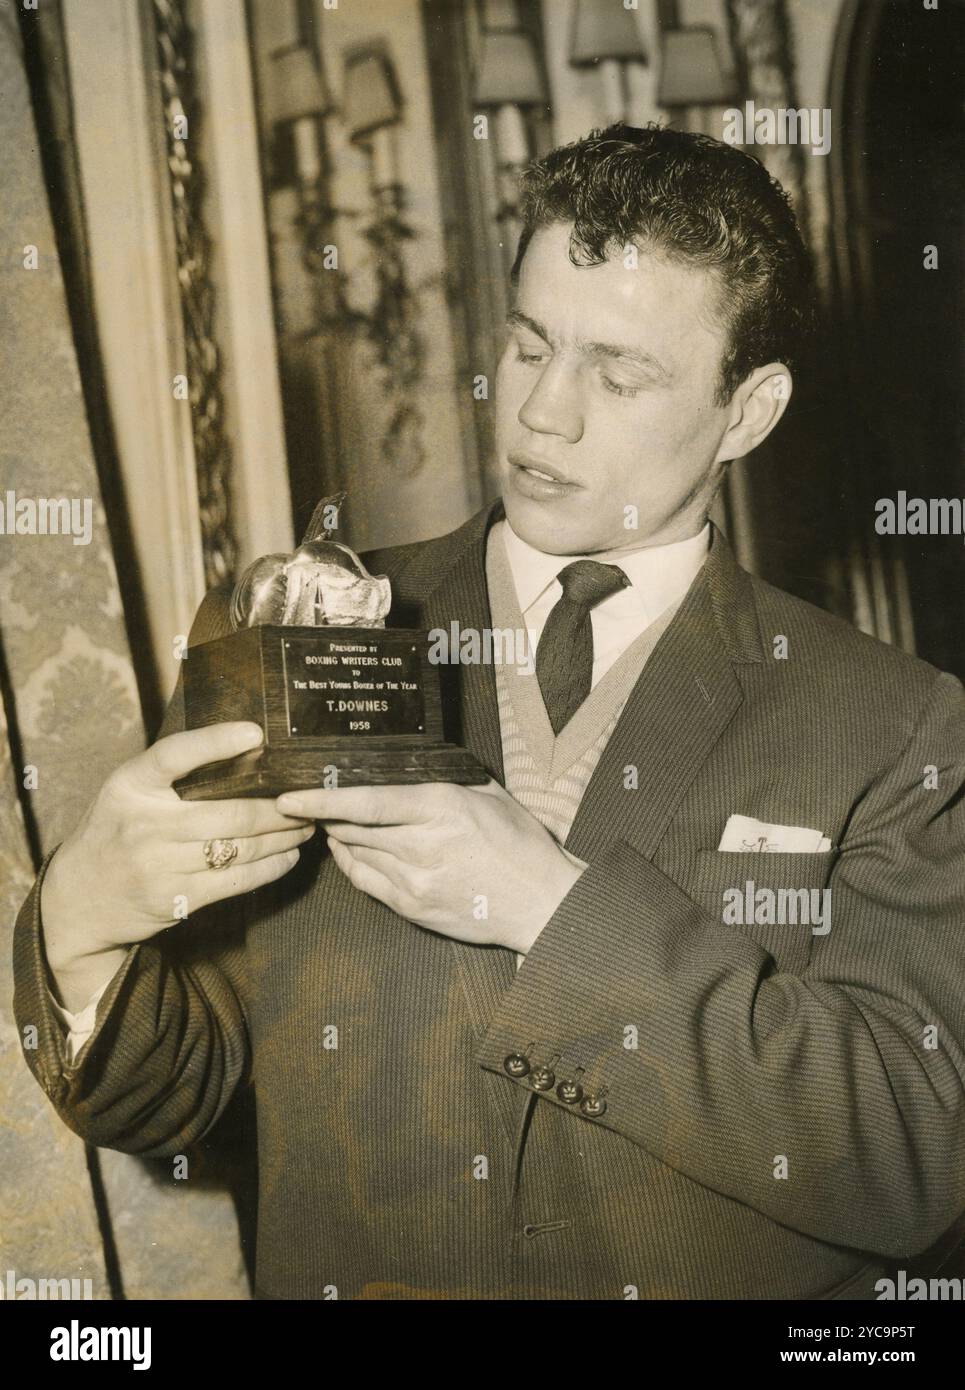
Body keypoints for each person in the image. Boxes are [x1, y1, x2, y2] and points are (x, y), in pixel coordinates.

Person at [14, 124, 965, 1300]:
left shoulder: (892, 720)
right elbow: (169, 1096)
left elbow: (910, 1156)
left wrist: (554, 910)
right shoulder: (294, 621)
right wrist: (83, 925)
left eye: (617, 375)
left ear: (748, 409)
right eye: (526, 347)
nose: (541, 416)